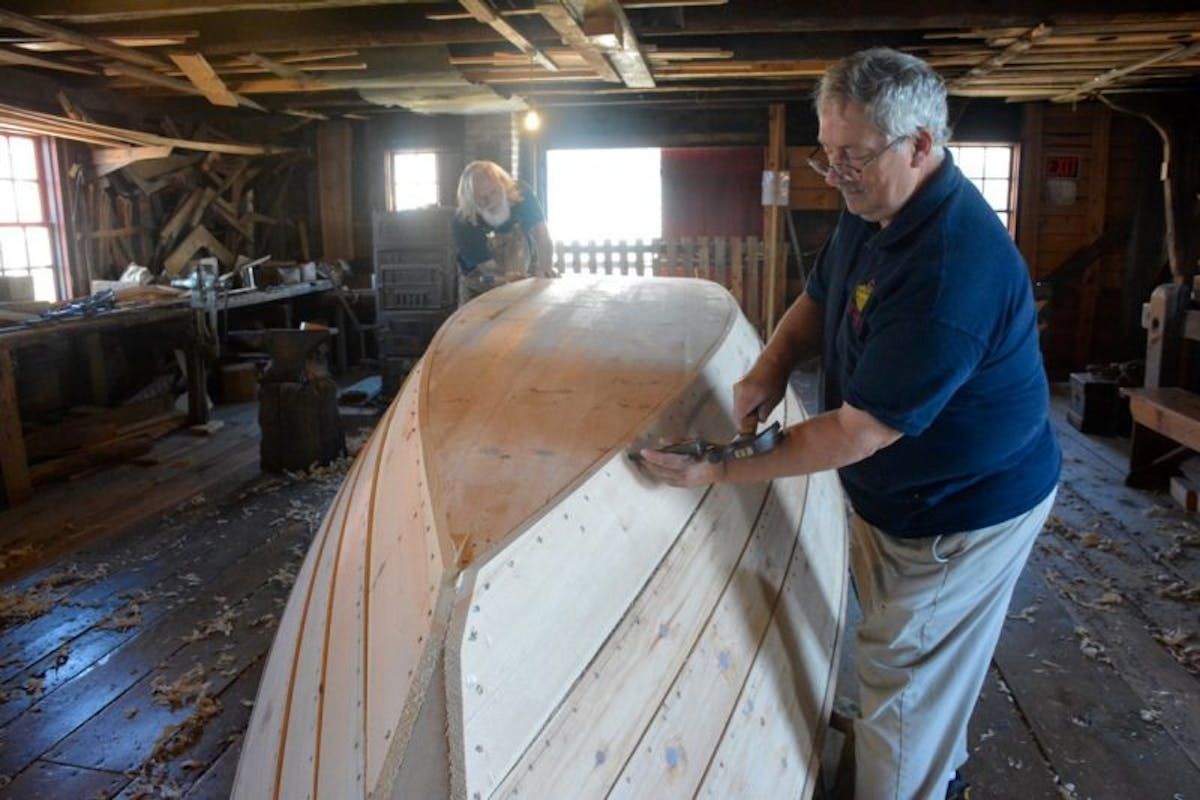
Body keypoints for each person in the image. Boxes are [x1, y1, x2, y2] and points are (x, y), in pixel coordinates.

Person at [638, 48, 1061, 800]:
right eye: (826, 154)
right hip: (902, 494)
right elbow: (820, 297)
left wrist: (717, 469)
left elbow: (856, 432)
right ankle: (935, 764)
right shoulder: (875, 203)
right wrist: (769, 368)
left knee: (902, 674)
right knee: (916, 665)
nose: (834, 174)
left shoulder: (949, 271)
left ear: (921, 144)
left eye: (851, 157)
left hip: (966, 508)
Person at [453, 160, 556, 304]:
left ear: (503, 185)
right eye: (481, 197)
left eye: (493, 192)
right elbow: (489, 269)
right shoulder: (463, 221)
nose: (489, 200)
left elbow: (541, 234)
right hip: (481, 284)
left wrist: (545, 268)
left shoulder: (522, 193)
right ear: (470, 198)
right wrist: (512, 280)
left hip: (522, 277)